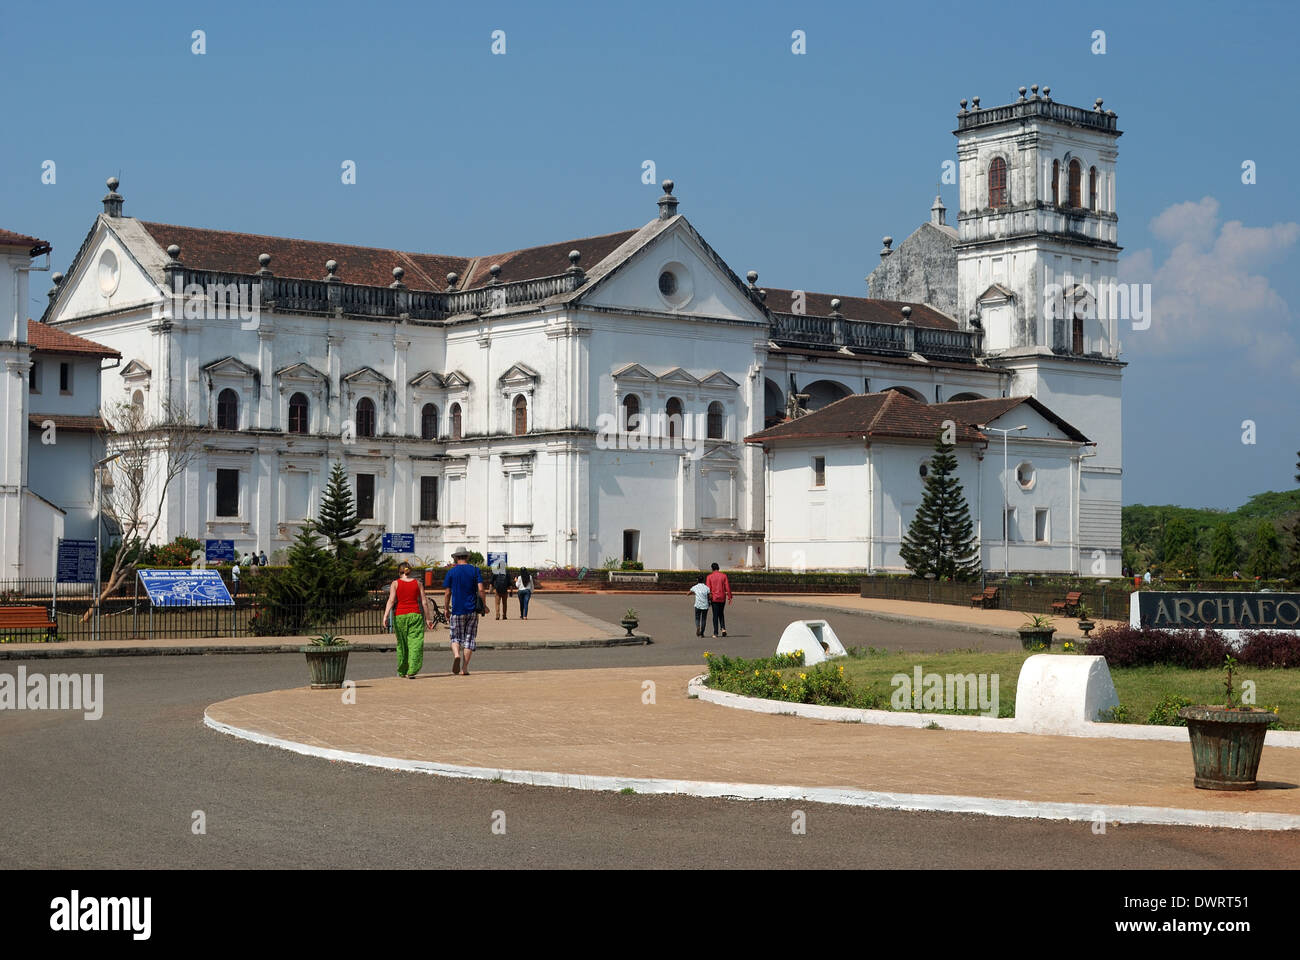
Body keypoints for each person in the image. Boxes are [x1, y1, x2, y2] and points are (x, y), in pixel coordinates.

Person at [382, 561, 435, 678]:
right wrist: (428, 618)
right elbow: (424, 602)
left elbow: (391, 601)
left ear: (399, 571)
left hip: (400, 615)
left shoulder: (395, 583)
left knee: (402, 643)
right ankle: (412, 669)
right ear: (410, 571)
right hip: (415, 614)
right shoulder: (418, 583)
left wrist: (385, 616)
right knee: (415, 642)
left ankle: (402, 670)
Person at [444, 546, 485, 675]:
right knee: (470, 638)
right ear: (467, 557)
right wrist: (483, 605)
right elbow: (481, 589)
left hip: (457, 609)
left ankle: (456, 654)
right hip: (472, 610)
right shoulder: (474, 570)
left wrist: (446, 608)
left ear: (456, 557)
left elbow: (447, 592)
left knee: (455, 636)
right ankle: (464, 668)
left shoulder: (451, 572)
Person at [705, 562, 733, 638]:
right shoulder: (724, 576)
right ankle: (723, 628)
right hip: (722, 597)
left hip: (714, 598)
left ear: (712, 569)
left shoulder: (709, 577)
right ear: (718, 568)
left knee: (715, 615)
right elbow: (727, 587)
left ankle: (715, 632)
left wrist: (707, 599)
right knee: (721, 613)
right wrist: (730, 597)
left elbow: (708, 589)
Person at [490, 556, 511, 620]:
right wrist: (510, 590)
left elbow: (491, 581)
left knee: (497, 603)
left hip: (497, 590)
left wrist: (491, 589)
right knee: (504, 604)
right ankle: (504, 615)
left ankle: (497, 615)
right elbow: (510, 583)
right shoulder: (507, 573)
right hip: (505, 590)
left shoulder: (495, 572)